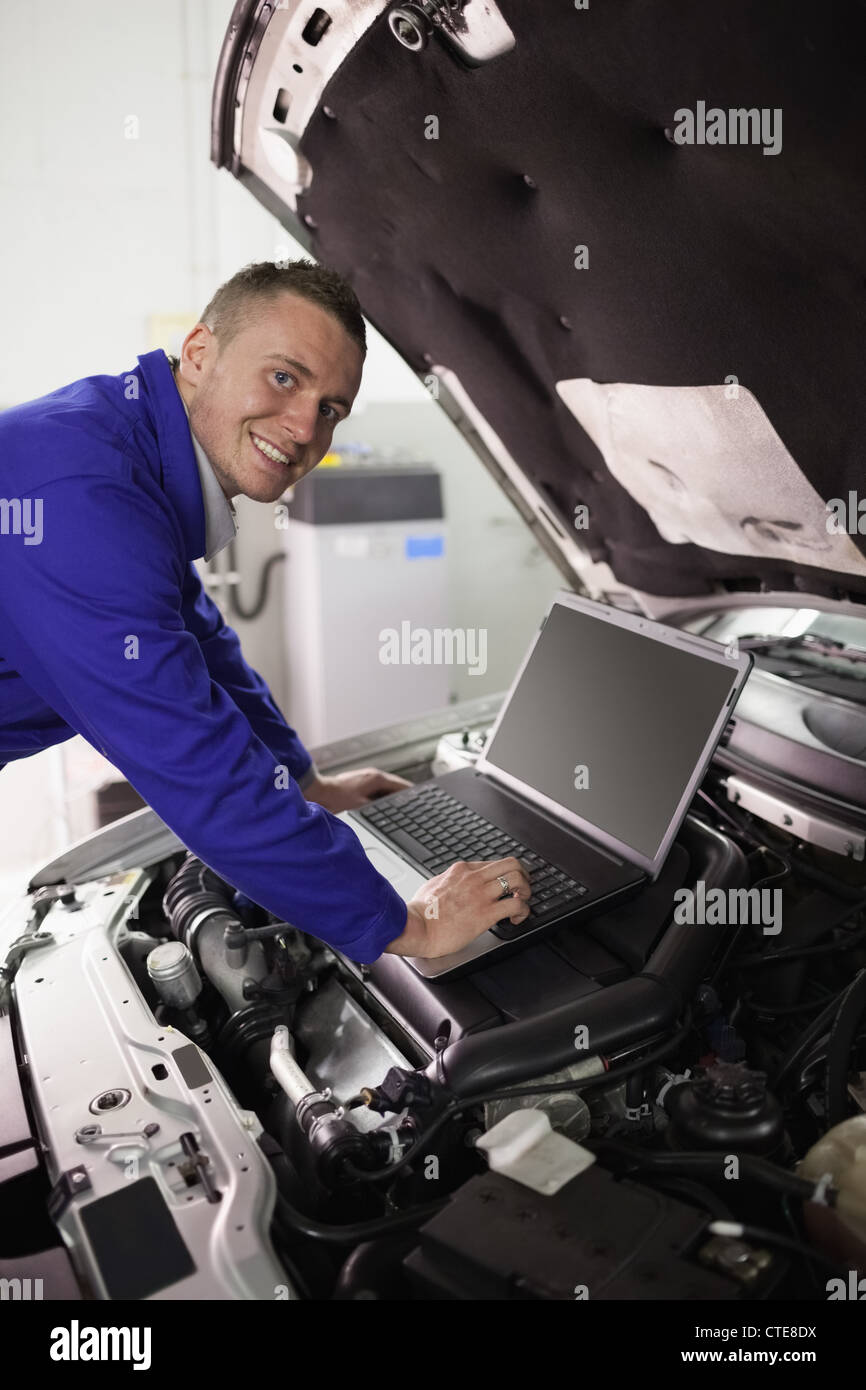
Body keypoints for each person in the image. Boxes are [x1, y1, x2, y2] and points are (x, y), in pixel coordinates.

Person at [0, 260, 530, 961]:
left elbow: (197, 638)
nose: (305, 425)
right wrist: (408, 926)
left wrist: (306, 783)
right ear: (198, 353)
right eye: (284, 377)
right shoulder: (82, 498)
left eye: (331, 408)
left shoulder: (120, 444)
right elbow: (197, 767)